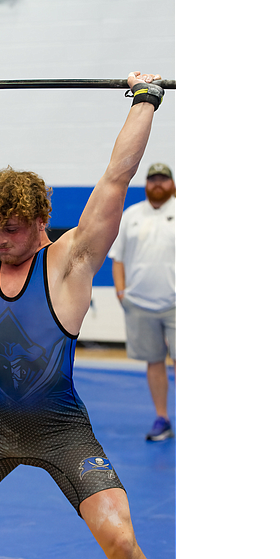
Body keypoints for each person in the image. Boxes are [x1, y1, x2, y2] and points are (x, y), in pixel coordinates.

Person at [0, 71, 165, 559]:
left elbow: (115, 178)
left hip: (62, 432)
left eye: (11, 230)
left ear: (40, 220)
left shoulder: (70, 262)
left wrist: (144, 99)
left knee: (121, 542)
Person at [109, 164, 176, 442]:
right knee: (154, 361)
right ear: (146, 184)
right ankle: (162, 418)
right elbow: (118, 257)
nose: (158, 184)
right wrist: (121, 292)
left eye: (163, 180)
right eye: (153, 180)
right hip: (139, 304)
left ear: (171, 184)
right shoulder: (131, 215)